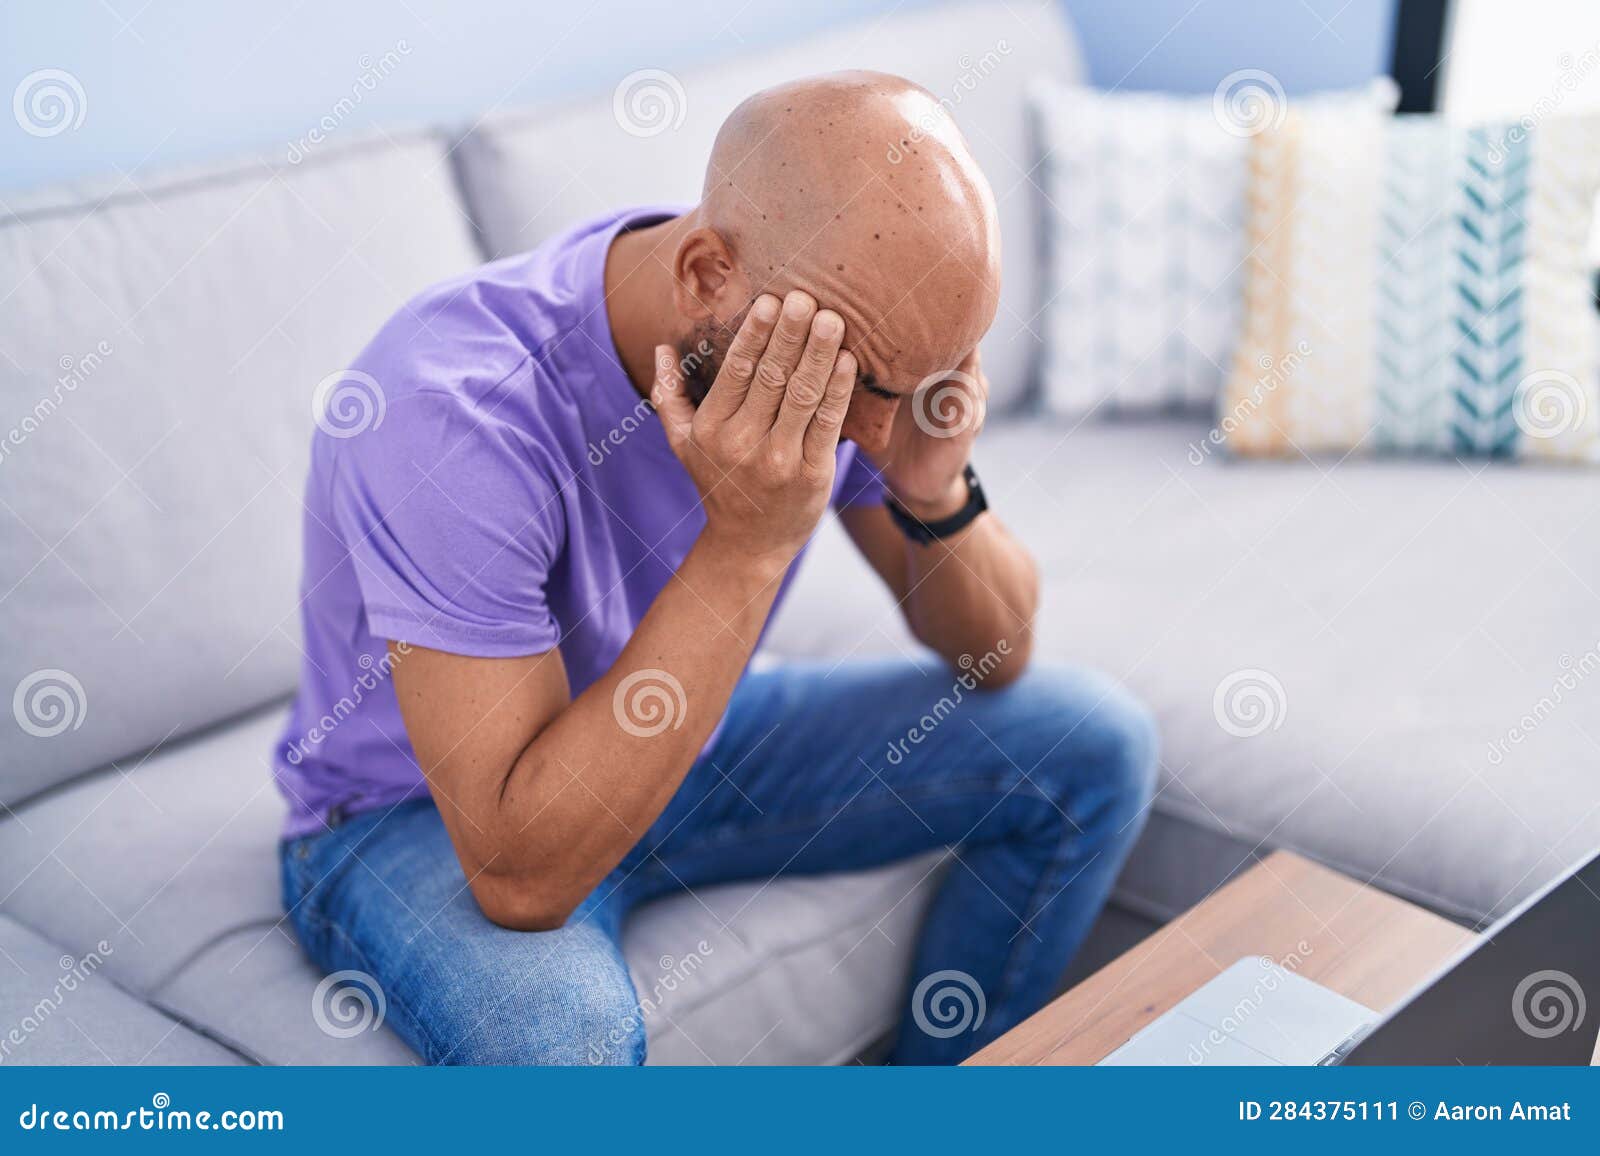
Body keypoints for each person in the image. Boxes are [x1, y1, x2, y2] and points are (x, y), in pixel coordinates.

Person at [275, 71, 1157, 1065]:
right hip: (421, 816)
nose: (876, 428)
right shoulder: (448, 409)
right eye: (867, 385)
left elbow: (995, 656)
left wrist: (931, 489)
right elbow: (519, 877)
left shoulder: (834, 328)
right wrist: (749, 542)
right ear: (704, 275)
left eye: (936, 377)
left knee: (1092, 743)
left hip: (693, 736)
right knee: (558, 1047)